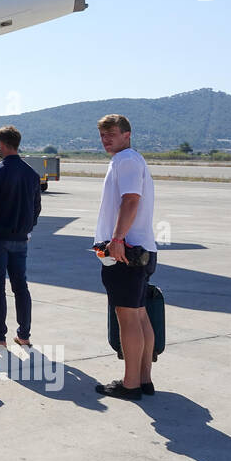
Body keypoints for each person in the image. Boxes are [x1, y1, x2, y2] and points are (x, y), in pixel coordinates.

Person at [93, 114, 158, 400]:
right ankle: (144, 379)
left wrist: (117, 239)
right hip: (142, 250)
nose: (106, 139)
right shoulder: (130, 160)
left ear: (127, 135)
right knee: (140, 315)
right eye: (103, 134)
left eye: (112, 134)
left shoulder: (127, 160)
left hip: (126, 252)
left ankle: (130, 384)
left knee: (127, 317)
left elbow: (131, 200)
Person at [0, 125, 42, 349]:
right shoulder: (32, 174)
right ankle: (24, 334)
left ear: (1, 144)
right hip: (21, 240)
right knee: (21, 286)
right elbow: (36, 208)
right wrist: (27, 229)